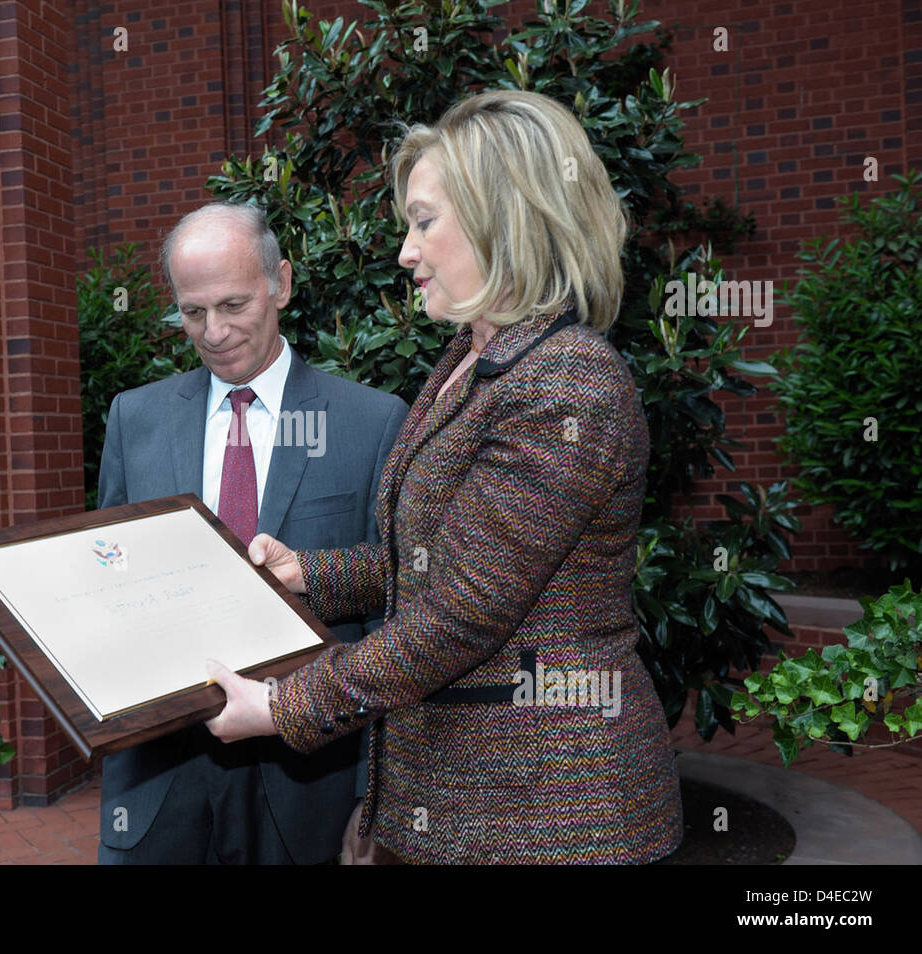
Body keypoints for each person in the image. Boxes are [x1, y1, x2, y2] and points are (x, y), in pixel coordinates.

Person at [205, 91, 684, 864]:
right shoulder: (474, 360)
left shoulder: (569, 382)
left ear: (506, 217)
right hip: (459, 799)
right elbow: (443, 558)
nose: (404, 250)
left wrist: (284, 706)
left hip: (547, 817)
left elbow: (463, 612)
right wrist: (312, 577)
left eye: (423, 220)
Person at [96, 202, 409, 864]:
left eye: (234, 304)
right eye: (192, 312)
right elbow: (108, 580)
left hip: (310, 782)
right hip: (159, 783)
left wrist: (372, 795)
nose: (214, 331)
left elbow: (398, 608)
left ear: (283, 284)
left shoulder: (371, 422)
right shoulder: (135, 420)